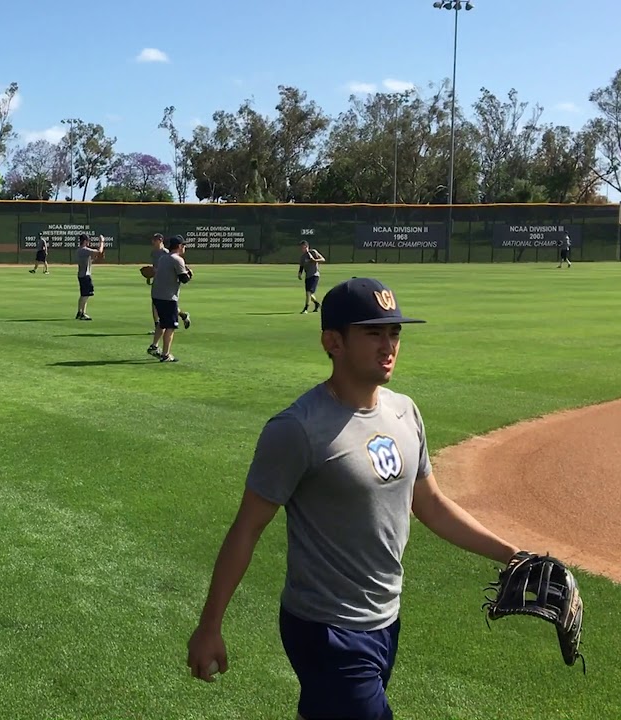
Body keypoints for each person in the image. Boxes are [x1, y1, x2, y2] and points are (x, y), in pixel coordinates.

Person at [185, 277, 540, 720]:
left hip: (386, 618)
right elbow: (247, 528)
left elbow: (429, 503)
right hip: (325, 628)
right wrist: (209, 626)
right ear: (332, 341)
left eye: (394, 333)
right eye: (373, 333)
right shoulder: (298, 429)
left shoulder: (404, 411)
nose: (388, 345)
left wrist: (513, 555)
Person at [147, 235, 192, 363]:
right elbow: (184, 279)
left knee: (162, 322)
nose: (185, 247)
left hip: (156, 295)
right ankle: (166, 354)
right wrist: (190, 274)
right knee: (170, 326)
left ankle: (154, 346)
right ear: (179, 246)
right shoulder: (177, 259)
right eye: (183, 245)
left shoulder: (163, 258)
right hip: (168, 297)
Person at [74, 233, 105, 321]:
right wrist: (102, 242)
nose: (88, 242)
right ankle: (82, 313)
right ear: (85, 241)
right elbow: (99, 251)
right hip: (85, 275)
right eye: (88, 241)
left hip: (81, 274)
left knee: (83, 295)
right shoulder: (84, 250)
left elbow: (91, 259)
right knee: (86, 295)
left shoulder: (79, 250)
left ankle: (80, 312)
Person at [297, 239, 325, 314]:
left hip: (314, 275)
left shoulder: (313, 252)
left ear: (307, 246)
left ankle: (306, 308)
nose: (302, 249)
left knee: (308, 293)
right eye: (301, 247)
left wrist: (315, 260)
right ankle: (317, 304)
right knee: (310, 294)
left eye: (303, 247)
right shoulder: (303, 257)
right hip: (307, 276)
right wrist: (300, 273)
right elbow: (301, 266)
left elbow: (323, 259)